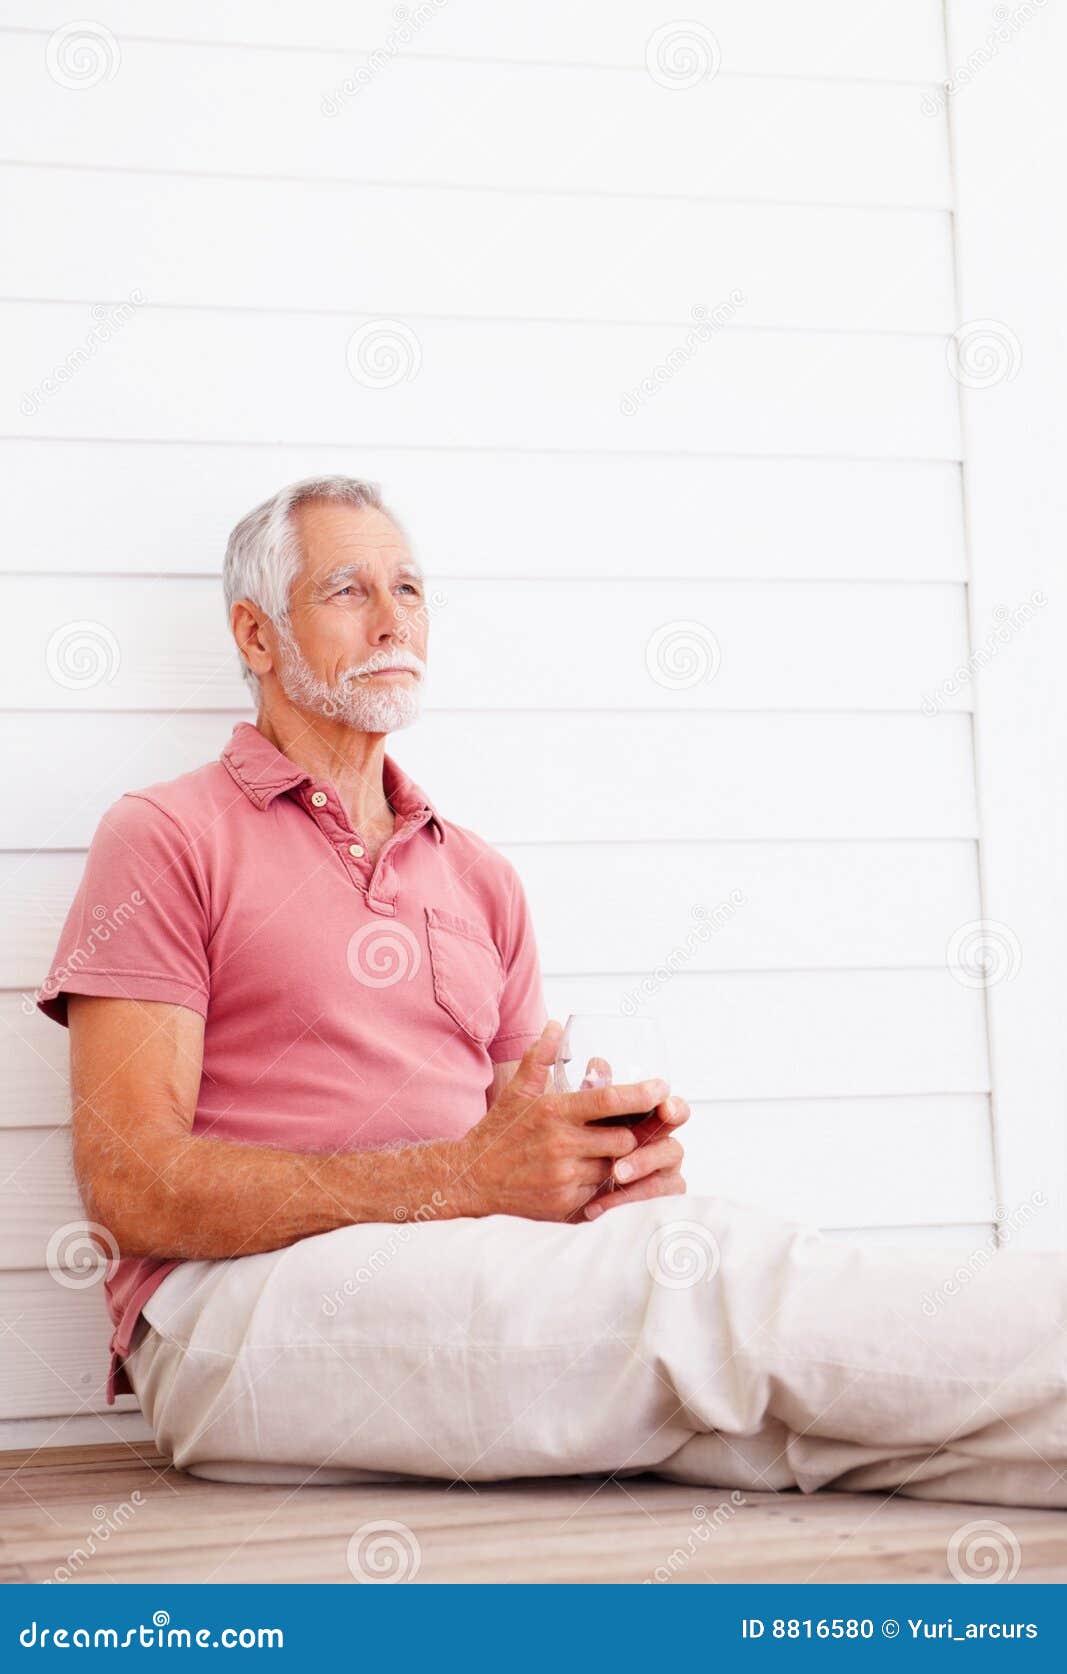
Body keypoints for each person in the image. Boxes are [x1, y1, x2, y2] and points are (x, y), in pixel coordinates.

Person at [39, 477, 1065, 1503]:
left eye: (410, 587)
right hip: (230, 1318)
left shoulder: (476, 874)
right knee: (696, 1280)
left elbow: (506, 1162)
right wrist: (459, 1182)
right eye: (348, 591)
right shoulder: (167, 836)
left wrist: (588, 1176)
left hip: (461, 1278)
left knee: (774, 1421)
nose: (395, 617)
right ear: (256, 636)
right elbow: (130, 1188)